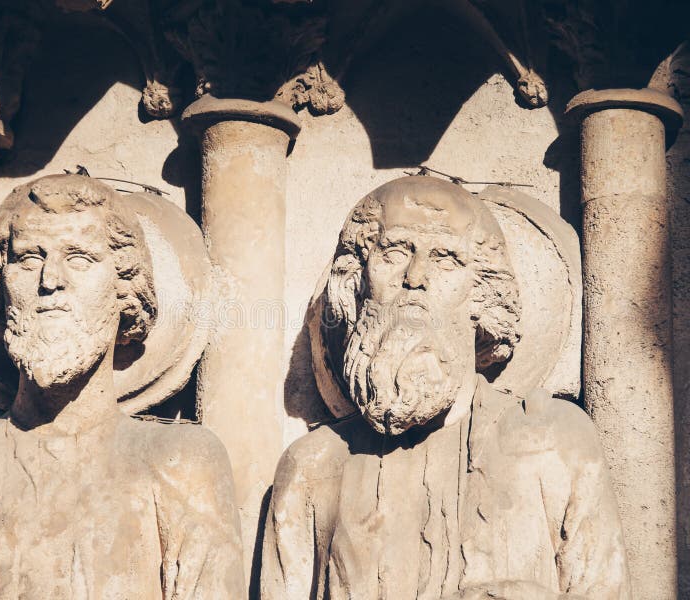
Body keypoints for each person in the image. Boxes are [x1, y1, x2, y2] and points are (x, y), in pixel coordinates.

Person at [261, 176, 630, 600]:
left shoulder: (555, 442)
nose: (416, 277)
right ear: (357, 279)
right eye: (394, 251)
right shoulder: (311, 467)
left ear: (482, 294)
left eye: (447, 259)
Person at [0, 175, 245, 599]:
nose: (50, 280)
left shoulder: (179, 464)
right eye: (27, 259)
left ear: (124, 292)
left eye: (79, 259)